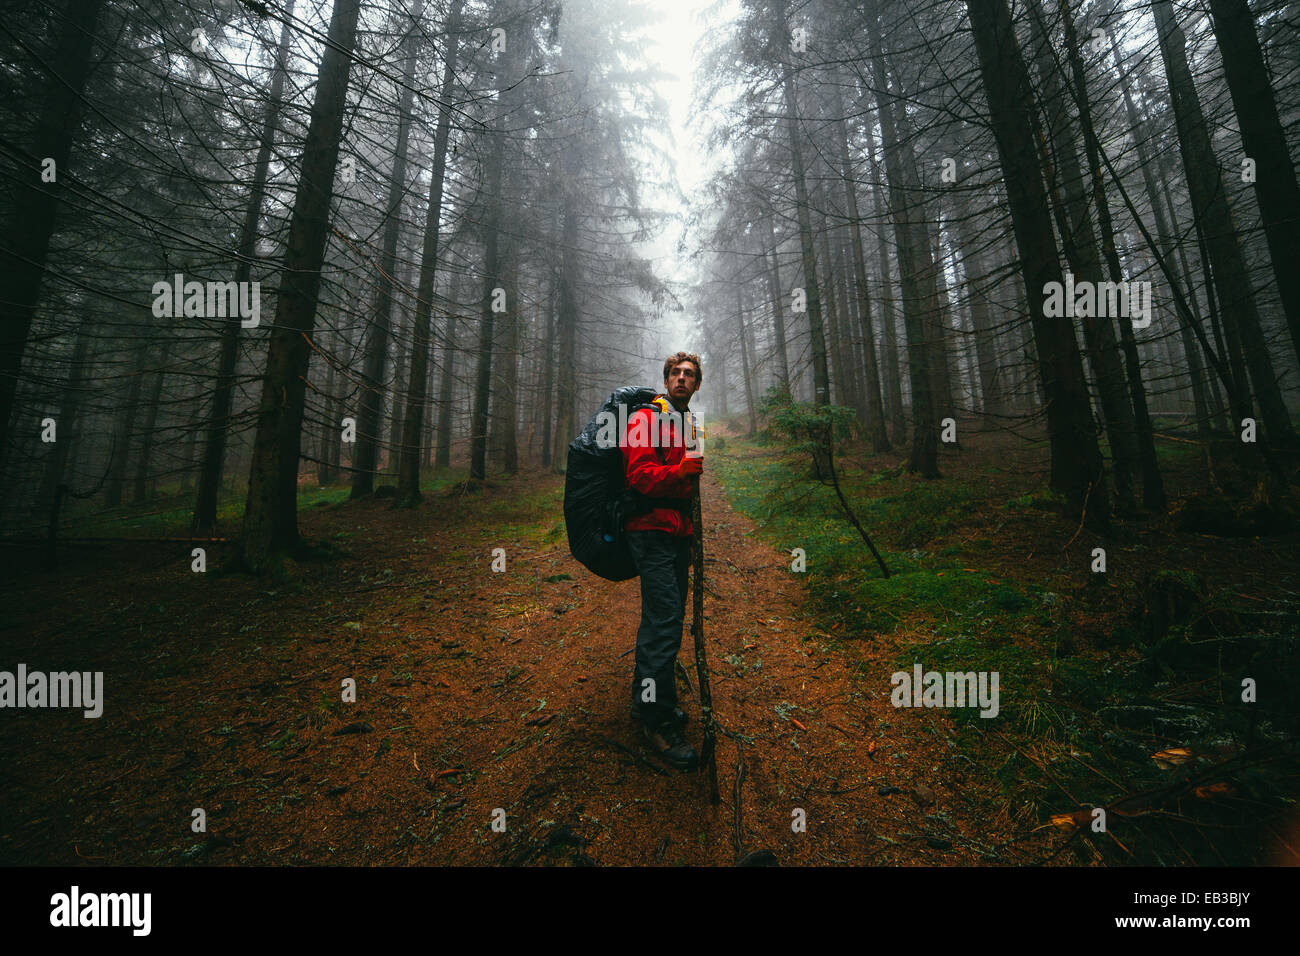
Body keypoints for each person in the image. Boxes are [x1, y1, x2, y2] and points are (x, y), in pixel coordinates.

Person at [621, 351, 704, 771]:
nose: (682, 379)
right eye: (676, 372)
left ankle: (653, 701)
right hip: (649, 532)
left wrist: (689, 539)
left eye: (690, 374)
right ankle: (654, 721)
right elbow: (638, 475)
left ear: (697, 384)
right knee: (665, 622)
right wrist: (681, 473)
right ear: (666, 379)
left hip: (674, 536)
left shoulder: (687, 423)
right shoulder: (644, 420)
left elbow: (685, 490)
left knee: (663, 620)